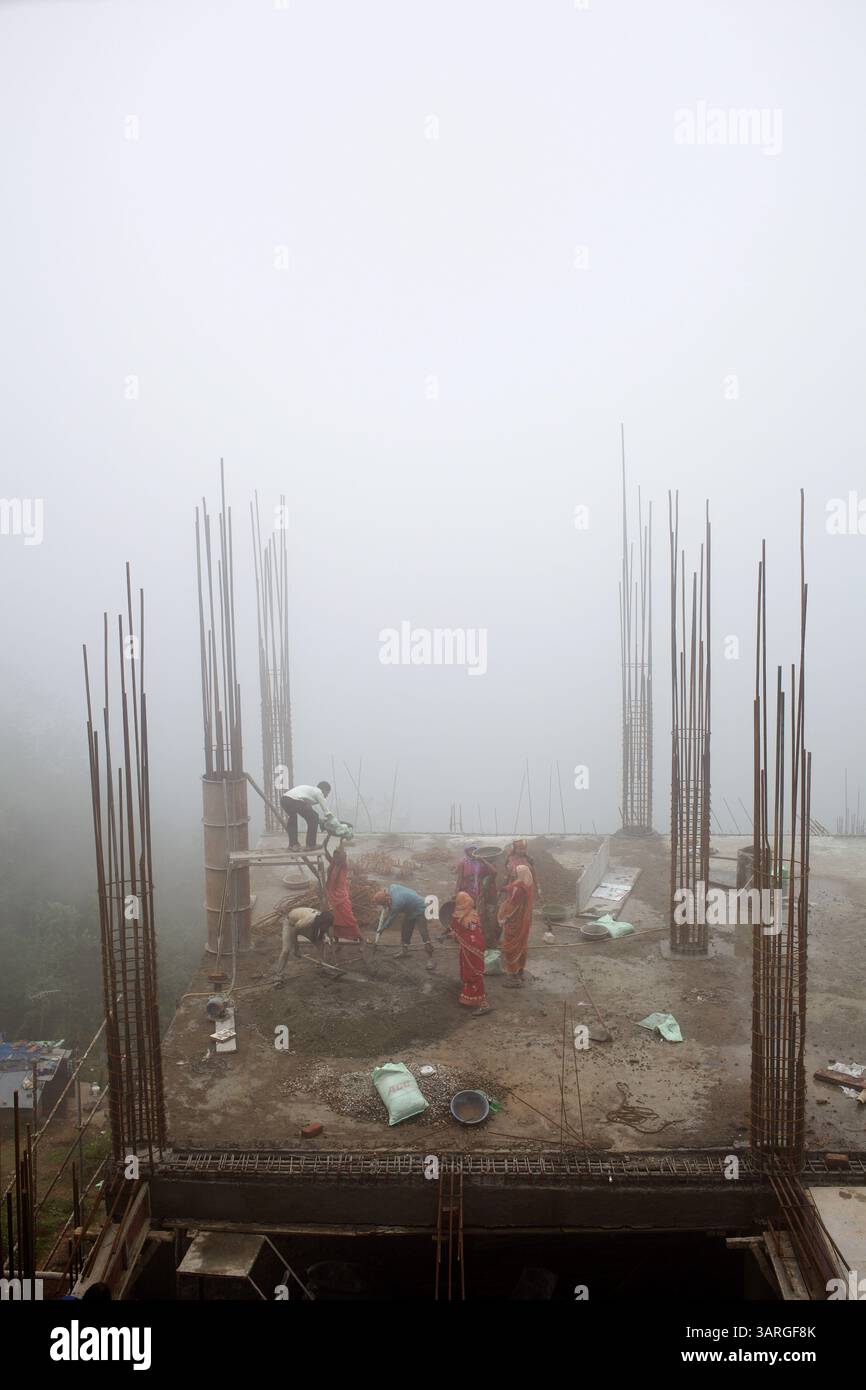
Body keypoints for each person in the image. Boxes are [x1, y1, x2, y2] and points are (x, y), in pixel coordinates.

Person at [449, 891, 491, 1016]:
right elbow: (472, 932)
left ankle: (484, 1004)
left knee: (473, 974)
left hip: (471, 949)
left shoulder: (460, 917)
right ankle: (469, 998)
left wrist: (454, 935)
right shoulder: (473, 914)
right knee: (473, 972)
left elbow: (458, 932)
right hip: (477, 946)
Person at [373, 885, 435, 968]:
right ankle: (404, 951)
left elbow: (390, 919)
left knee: (423, 932)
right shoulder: (392, 887)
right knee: (405, 929)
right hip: (410, 908)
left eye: (384, 904)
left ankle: (430, 958)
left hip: (420, 908)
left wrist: (382, 929)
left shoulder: (397, 904)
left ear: (386, 900)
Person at [497, 863, 534, 987]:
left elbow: (513, 904)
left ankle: (513, 978)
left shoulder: (518, 888)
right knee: (521, 945)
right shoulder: (528, 885)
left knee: (510, 947)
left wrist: (505, 916)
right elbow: (510, 887)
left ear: (520, 874)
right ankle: (520, 971)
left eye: (516, 871)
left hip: (514, 921)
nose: (514, 871)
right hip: (522, 921)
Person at [324, 845, 365, 947]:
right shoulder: (333, 864)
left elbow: (342, 856)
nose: (335, 859)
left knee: (350, 919)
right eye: (334, 857)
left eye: (337, 857)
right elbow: (327, 855)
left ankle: (362, 939)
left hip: (342, 898)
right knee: (335, 921)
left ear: (342, 859)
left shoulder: (343, 867)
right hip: (333, 898)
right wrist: (325, 845)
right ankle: (337, 943)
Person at [275, 906, 335, 975]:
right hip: (291, 924)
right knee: (286, 950)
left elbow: (324, 931)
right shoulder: (309, 920)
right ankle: (279, 974)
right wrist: (296, 949)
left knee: (321, 944)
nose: (326, 927)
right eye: (325, 925)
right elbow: (294, 931)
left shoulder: (324, 920)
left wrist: (326, 937)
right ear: (321, 922)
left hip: (303, 924)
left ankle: (321, 966)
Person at [280, 781, 332, 849]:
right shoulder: (318, 791)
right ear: (324, 789)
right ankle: (311, 844)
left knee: (293, 818)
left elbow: (307, 810)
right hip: (293, 800)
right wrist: (332, 820)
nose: (327, 795)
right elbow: (326, 811)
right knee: (314, 817)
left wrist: (318, 821)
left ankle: (293, 845)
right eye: (327, 792)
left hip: (284, 800)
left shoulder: (309, 793)